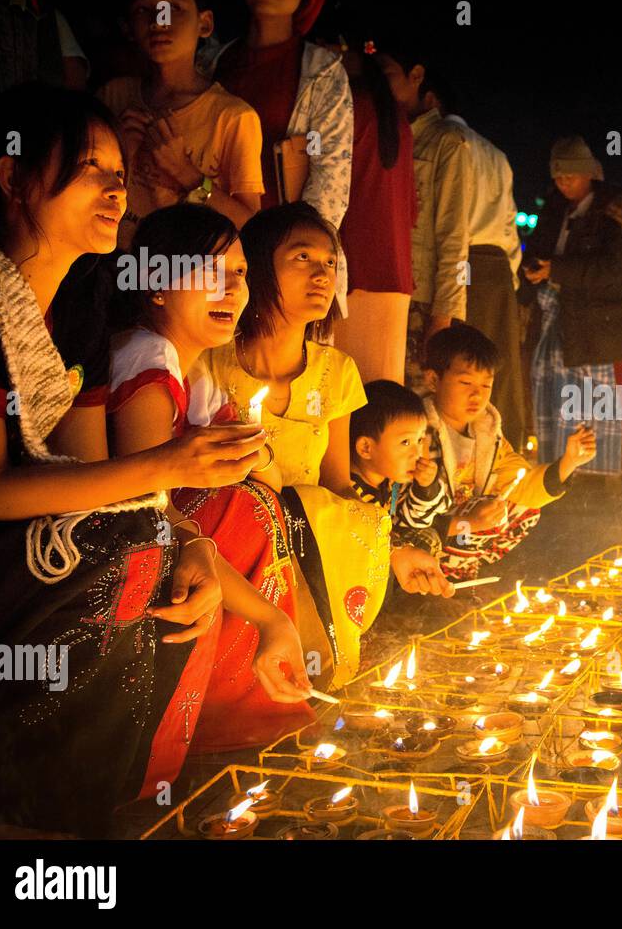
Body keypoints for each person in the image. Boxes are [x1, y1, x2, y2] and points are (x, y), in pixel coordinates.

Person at [0, 85, 267, 835]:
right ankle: (13, 801)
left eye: (118, 174)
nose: (114, 187)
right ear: (13, 178)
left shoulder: (78, 308)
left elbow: (91, 475)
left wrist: (191, 540)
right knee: (123, 545)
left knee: (154, 545)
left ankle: (92, 801)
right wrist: (173, 465)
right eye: (89, 168)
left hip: (33, 535)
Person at [198, 202, 449, 689]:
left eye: (330, 263)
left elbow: (336, 491)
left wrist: (390, 552)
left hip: (304, 554)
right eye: (302, 258)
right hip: (227, 552)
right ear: (258, 266)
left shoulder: (336, 373)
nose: (322, 274)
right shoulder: (211, 362)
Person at [108, 204, 313, 753]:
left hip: (174, 533)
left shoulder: (192, 365)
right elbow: (144, 502)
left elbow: (248, 463)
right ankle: (222, 714)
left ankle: (242, 702)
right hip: (132, 546)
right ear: (155, 285)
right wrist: (270, 616)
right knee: (243, 508)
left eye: (240, 273)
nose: (231, 288)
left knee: (259, 499)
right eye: (208, 272)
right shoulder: (144, 362)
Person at [97, 0, 263, 245]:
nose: (158, 21)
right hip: (113, 269)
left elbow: (251, 227)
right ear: (127, 27)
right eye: (143, 10)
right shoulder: (113, 96)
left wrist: (188, 174)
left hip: (187, 276)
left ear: (205, 23)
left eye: (174, 8)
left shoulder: (232, 117)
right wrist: (121, 157)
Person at [420, 325, 596, 581]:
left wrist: (568, 462)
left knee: (521, 509)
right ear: (434, 380)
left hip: (465, 528)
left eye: (486, 385)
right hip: (427, 529)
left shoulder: (488, 435)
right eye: (466, 382)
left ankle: (467, 572)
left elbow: (521, 485)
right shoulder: (417, 430)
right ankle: (439, 579)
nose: (477, 395)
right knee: (478, 510)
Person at [521, 136, 622, 477]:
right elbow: (538, 248)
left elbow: (612, 269)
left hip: (592, 324)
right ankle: (556, 472)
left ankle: (600, 476)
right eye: (558, 177)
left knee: (591, 403)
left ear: (589, 174)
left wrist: (558, 271)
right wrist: (533, 271)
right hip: (554, 320)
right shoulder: (554, 211)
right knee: (553, 399)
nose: (564, 183)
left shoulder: (614, 215)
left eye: (571, 177)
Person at [213, 0, 352, 268]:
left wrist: (297, 257)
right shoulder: (210, 62)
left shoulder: (321, 73)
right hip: (212, 249)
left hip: (281, 260)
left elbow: (329, 182)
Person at [330, 26, 417, 385]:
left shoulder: (346, 110)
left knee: (343, 392)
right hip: (393, 275)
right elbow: (412, 209)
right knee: (381, 393)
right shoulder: (396, 120)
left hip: (355, 271)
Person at [444, 108, 527, 451]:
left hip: (465, 263)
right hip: (500, 268)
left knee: (464, 362)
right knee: (499, 366)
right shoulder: (497, 154)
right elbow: (510, 223)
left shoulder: (448, 139)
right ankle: (506, 450)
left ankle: (470, 452)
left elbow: (449, 218)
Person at [350, 378, 458, 635]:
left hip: (389, 560)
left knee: (425, 537)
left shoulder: (391, 482)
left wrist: (426, 487)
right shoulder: (348, 489)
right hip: (356, 577)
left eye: (420, 440)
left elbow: (419, 519)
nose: (417, 453)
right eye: (405, 442)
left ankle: (394, 614)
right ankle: (375, 623)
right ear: (366, 447)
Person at [392, 44, 470, 373]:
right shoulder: (384, 133)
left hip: (420, 300)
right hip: (383, 289)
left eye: (387, 74)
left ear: (416, 76)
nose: (378, 83)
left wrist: (443, 316)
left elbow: (454, 237)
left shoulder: (446, 141)